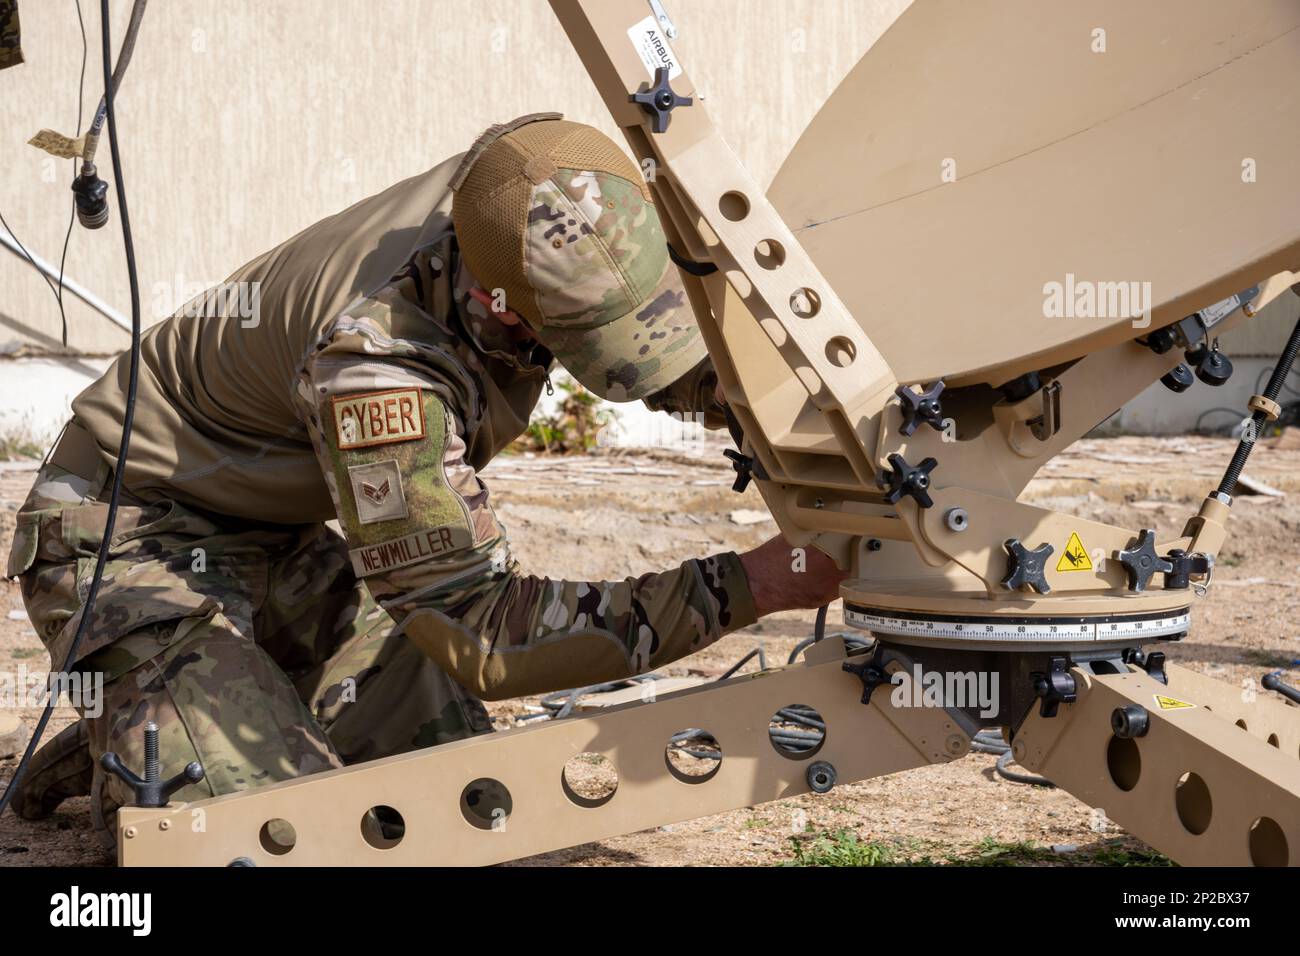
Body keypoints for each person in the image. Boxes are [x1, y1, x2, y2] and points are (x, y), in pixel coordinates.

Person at [6, 115, 843, 840]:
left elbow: (677, 354)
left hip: (274, 536)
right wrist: (752, 584)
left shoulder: (545, 179)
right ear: (506, 307)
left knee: (459, 804)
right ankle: (158, 709)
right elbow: (481, 633)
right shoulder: (378, 368)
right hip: (127, 537)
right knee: (263, 841)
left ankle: (194, 700)